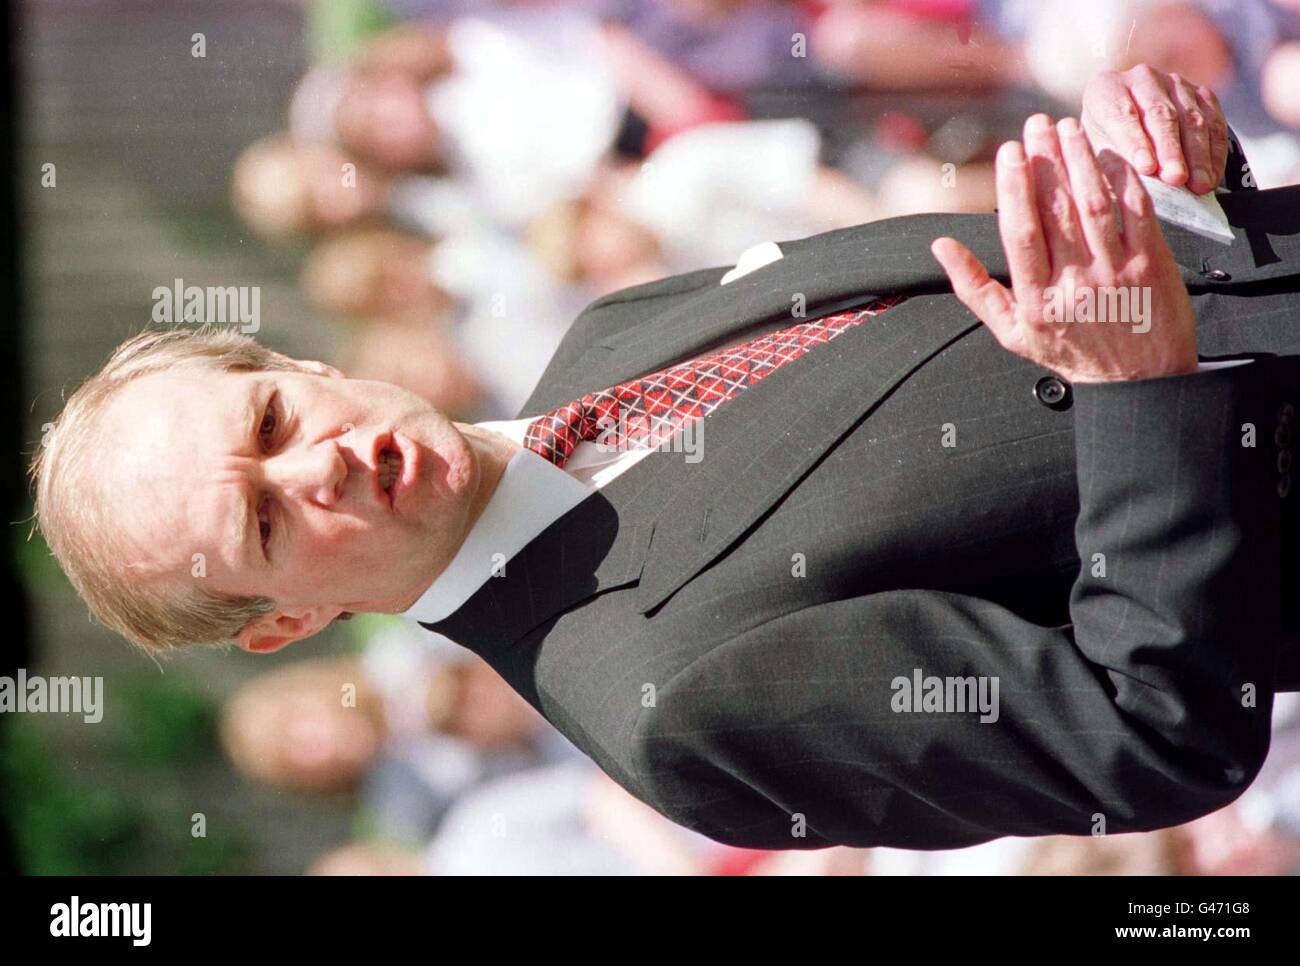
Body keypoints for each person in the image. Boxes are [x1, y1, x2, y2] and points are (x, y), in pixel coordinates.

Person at [30, 65, 1300, 850]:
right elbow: (1154, 738)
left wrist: (1178, 193)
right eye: (265, 527)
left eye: (267, 429)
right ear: (283, 624)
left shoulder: (608, 334)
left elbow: (1066, 295)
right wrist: (1146, 395)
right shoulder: (670, 710)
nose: (319, 471)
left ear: (293, 370)